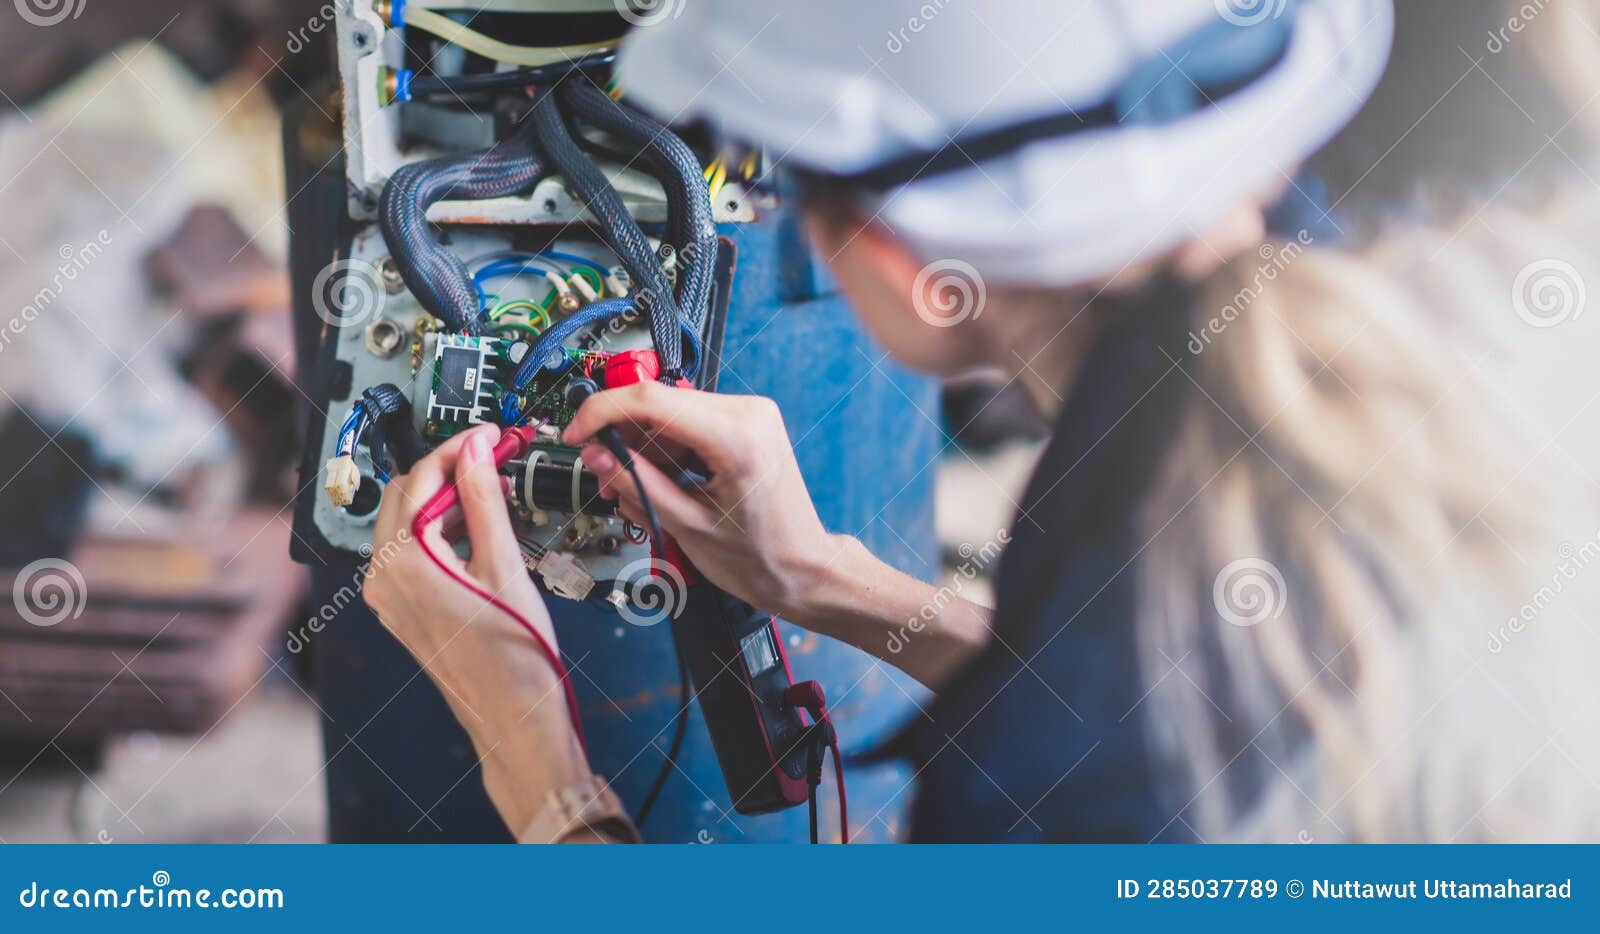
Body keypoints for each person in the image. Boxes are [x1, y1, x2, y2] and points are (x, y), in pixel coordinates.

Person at [365, 0, 1600, 842]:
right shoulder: (1470, 327)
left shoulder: (1037, 776)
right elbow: (1202, 728)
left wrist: (535, 760)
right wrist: (829, 578)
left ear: (897, 263)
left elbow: (1112, 767)